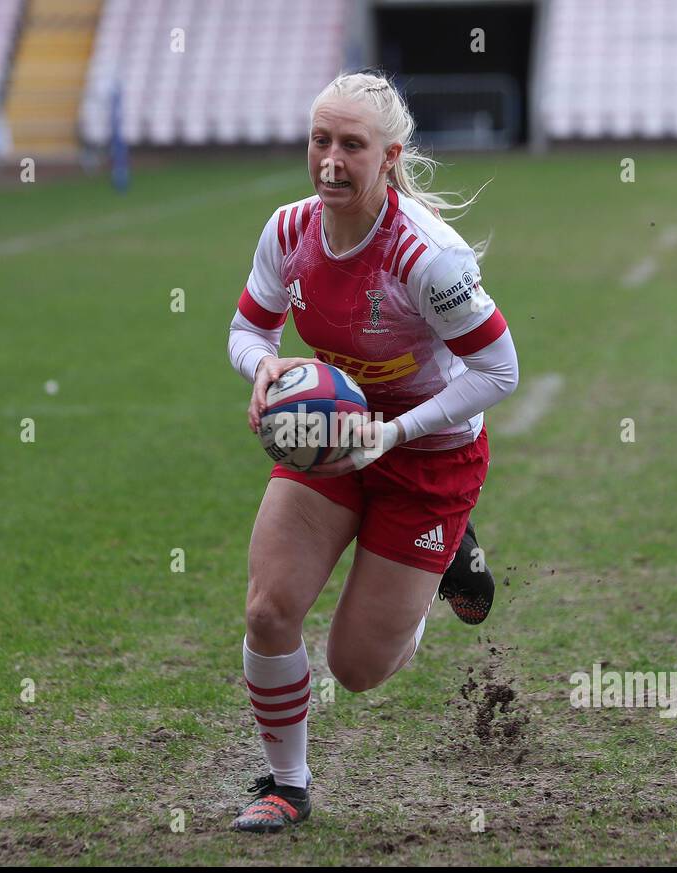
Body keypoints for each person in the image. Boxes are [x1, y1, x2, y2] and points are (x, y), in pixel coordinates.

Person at [225, 72, 520, 832]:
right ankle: (285, 784)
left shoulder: (428, 258)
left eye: (350, 145)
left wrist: (393, 432)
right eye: (320, 140)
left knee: (356, 669)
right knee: (268, 611)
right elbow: (249, 329)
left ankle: (445, 556)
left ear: (389, 157)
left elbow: (500, 371)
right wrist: (261, 366)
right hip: (328, 436)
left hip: (428, 455)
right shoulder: (288, 231)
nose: (329, 160)